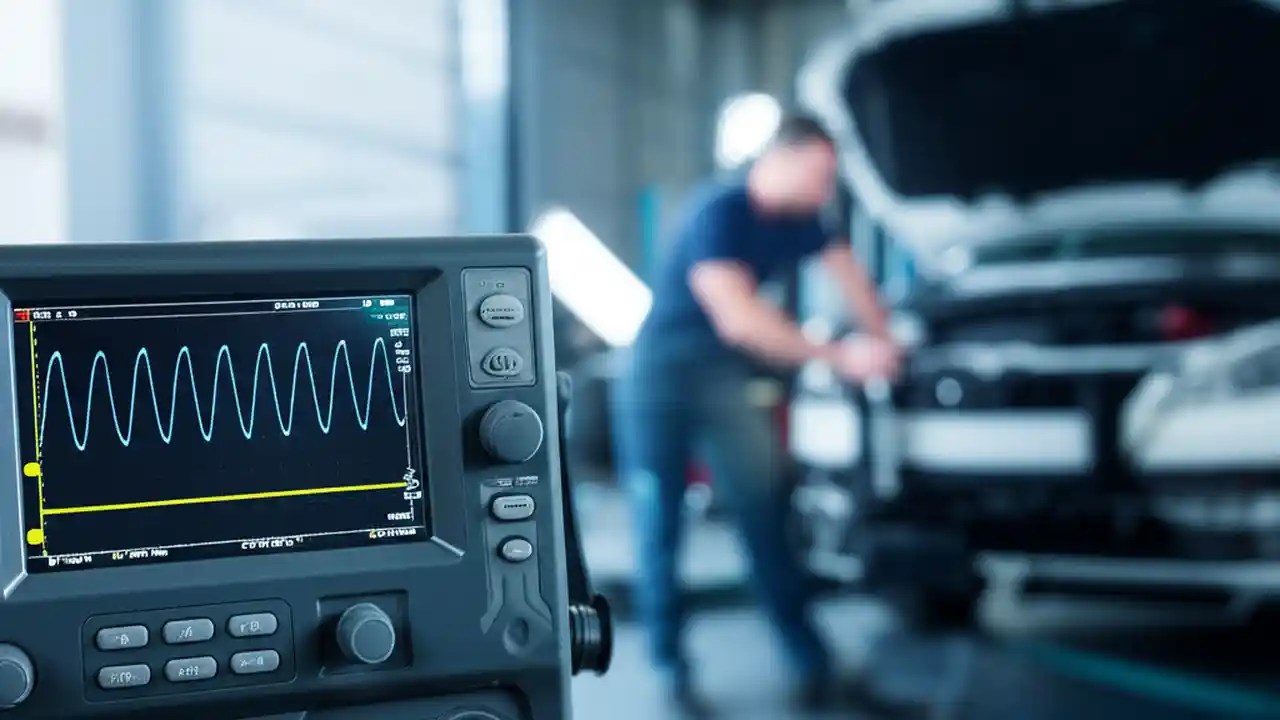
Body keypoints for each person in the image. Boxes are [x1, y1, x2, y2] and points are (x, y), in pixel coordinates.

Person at [612, 114, 900, 716]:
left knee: (766, 515)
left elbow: (853, 281)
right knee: (659, 527)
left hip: (723, 376)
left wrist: (887, 343)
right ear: (783, 158)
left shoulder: (803, 223)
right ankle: (671, 673)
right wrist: (842, 356)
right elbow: (739, 317)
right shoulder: (720, 209)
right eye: (821, 173)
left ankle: (812, 665)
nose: (827, 188)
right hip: (659, 377)